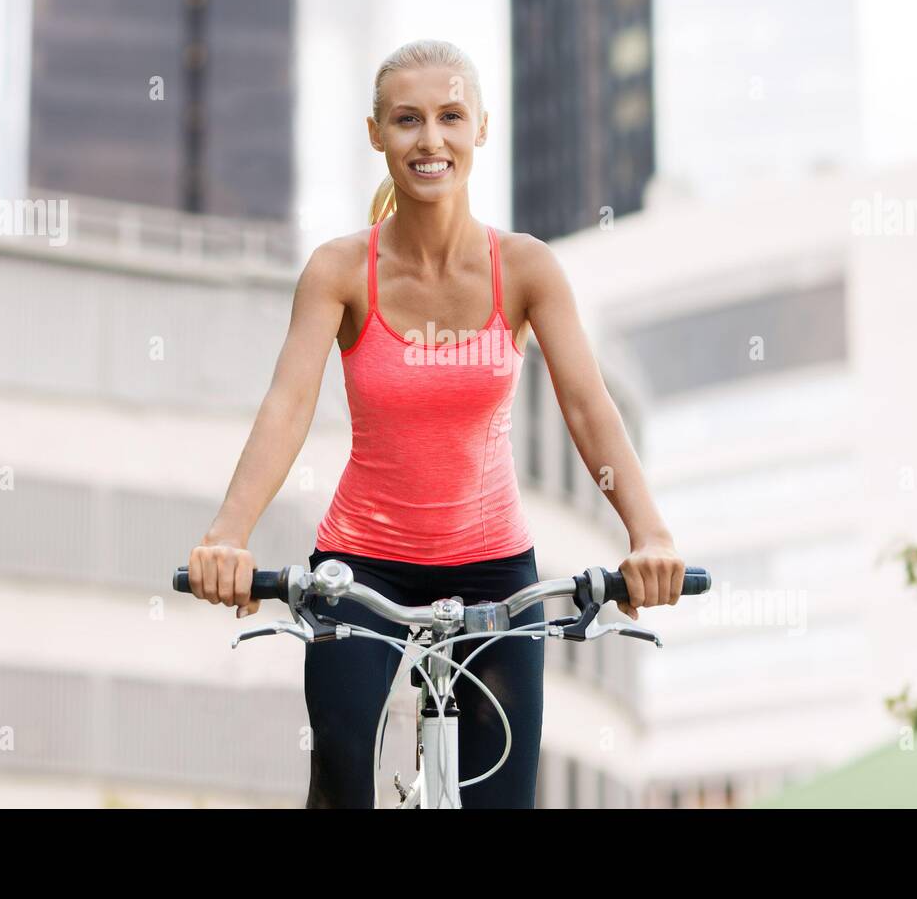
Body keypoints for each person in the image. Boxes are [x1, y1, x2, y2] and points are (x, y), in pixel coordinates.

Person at [184, 39, 685, 808]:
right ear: (376, 133)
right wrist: (228, 534)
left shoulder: (524, 269)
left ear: (481, 128)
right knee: (344, 783)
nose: (431, 139)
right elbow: (287, 407)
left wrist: (649, 535)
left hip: (494, 572)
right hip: (361, 567)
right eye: (408, 120)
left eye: (451, 117)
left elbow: (589, 409)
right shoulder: (340, 271)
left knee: (501, 799)